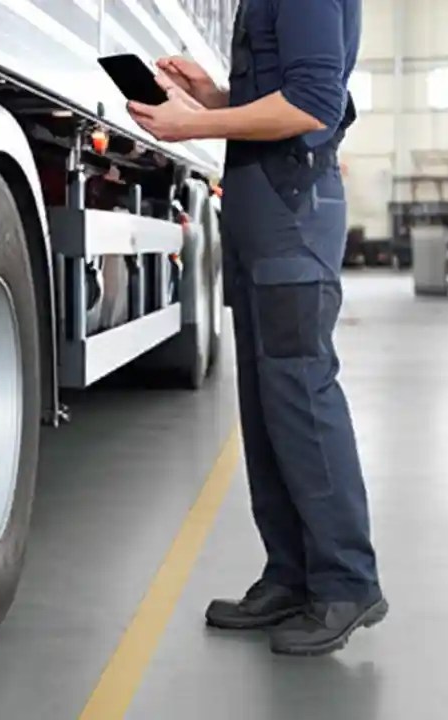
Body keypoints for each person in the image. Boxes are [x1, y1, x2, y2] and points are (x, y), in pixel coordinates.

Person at [127, 0, 385, 656]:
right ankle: (291, 576)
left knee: (301, 396)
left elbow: (312, 104)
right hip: (261, 211)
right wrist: (212, 96)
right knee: (269, 406)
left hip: (291, 211)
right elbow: (276, 91)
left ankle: (347, 582)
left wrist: (198, 124)